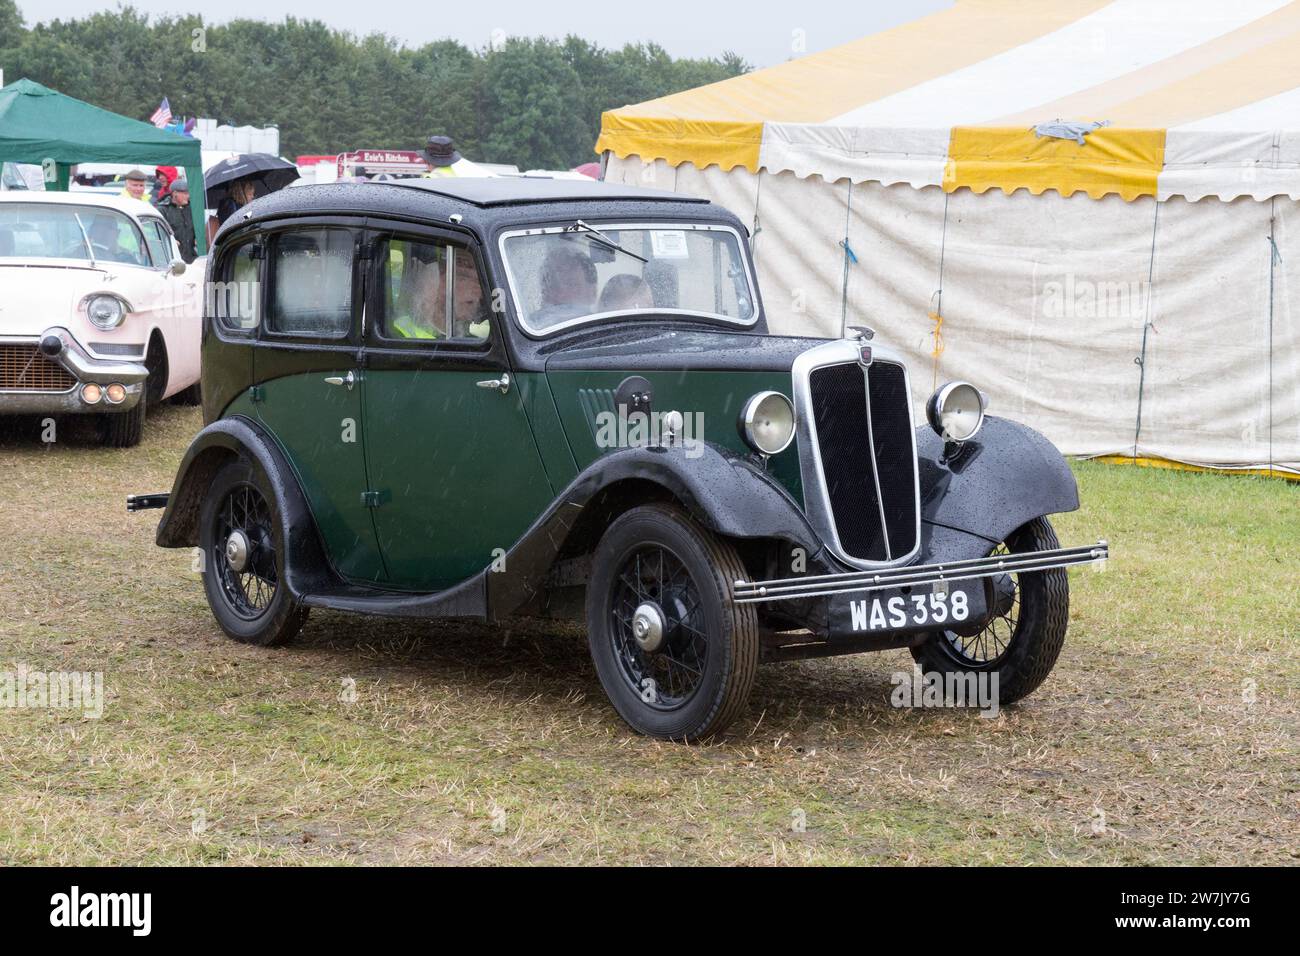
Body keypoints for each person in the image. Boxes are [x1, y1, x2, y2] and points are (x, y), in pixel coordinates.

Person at [533, 246, 597, 326]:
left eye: (572, 285)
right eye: (553, 285)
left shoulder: (605, 329)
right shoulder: (528, 326)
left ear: (592, 292)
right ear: (543, 290)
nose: (560, 293)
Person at [155, 178, 197, 263]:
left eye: (188, 193)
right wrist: (169, 239)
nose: (188, 196)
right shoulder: (162, 210)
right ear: (175, 193)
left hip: (191, 258)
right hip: (172, 259)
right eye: (185, 193)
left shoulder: (192, 209)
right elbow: (158, 232)